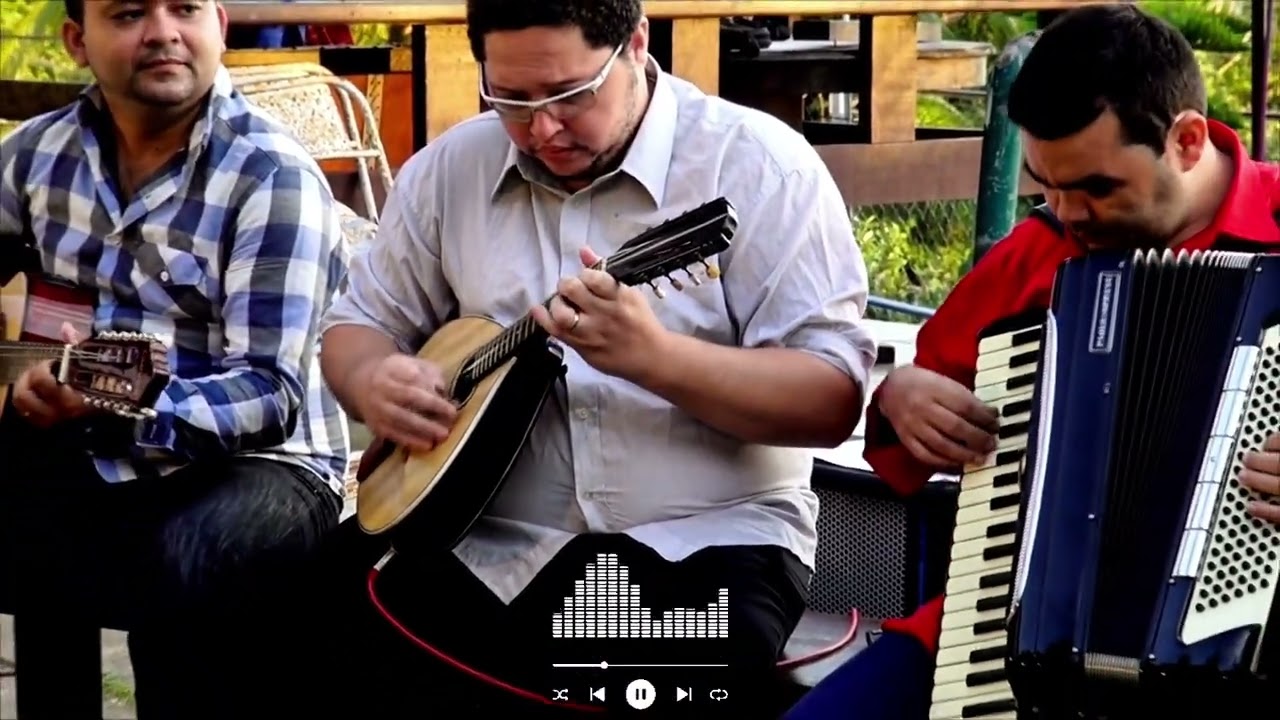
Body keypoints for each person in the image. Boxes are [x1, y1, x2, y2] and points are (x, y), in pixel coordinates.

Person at [313, 0, 876, 715]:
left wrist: (657, 359)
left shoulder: (763, 168)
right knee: (304, 629)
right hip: (482, 540)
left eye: (569, 95)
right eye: (510, 99)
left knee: (637, 685)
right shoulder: (451, 172)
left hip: (705, 547)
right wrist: (371, 381)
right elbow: (356, 326)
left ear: (636, 44)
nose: (541, 128)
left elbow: (829, 396)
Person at [782, 5, 1280, 720]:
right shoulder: (1035, 253)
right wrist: (898, 395)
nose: (1066, 211)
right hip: (1004, 632)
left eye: (1097, 187)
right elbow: (906, 416)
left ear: (1188, 140)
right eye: (1047, 184)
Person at [0, 1, 350, 718]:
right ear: (77, 41)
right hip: (87, 439)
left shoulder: (271, 175)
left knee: (180, 557)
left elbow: (270, 393)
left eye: (185, 8)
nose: (162, 31)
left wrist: (119, 402)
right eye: (128, 13)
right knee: (29, 507)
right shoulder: (32, 156)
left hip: (269, 465)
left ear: (219, 25)